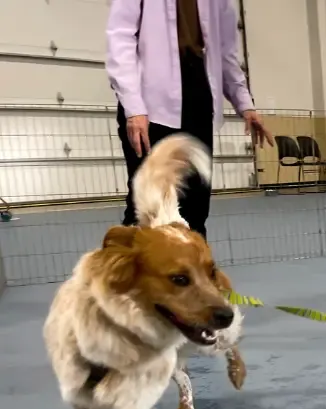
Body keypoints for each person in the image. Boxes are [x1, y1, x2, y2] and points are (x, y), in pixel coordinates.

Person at [106, 0, 274, 238]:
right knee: (145, 208)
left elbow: (226, 52)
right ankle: (128, 273)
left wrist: (245, 104)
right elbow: (120, 38)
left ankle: (194, 273)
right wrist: (133, 107)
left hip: (199, 95)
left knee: (195, 207)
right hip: (150, 103)